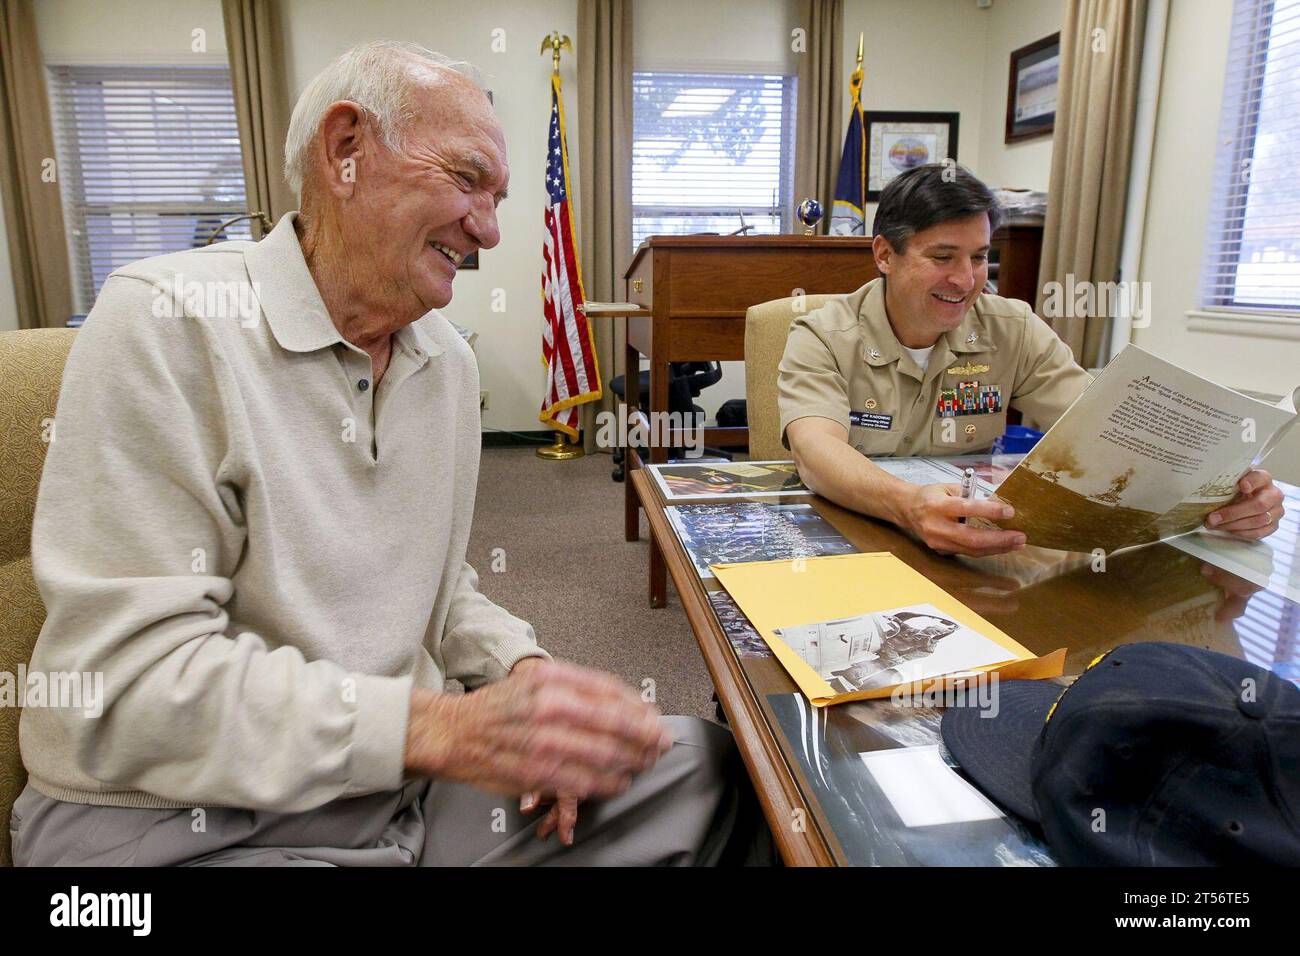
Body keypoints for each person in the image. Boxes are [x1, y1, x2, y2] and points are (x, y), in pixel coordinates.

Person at [11, 41, 762, 867]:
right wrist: (436, 727)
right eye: (467, 179)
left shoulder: (445, 362)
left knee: (706, 768)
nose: (488, 229)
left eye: (500, 197)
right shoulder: (168, 323)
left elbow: (438, 588)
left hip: (397, 786)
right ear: (345, 152)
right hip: (179, 818)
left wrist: (521, 676)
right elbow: (129, 687)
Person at [779, 163, 1285, 557]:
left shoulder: (1012, 327)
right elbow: (816, 451)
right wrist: (906, 505)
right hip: (853, 528)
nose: (966, 280)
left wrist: (1223, 490)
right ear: (885, 255)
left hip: (973, 540)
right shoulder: (821, 333)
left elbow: (1103, 425)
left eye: (979, 257)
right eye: (942, 257)